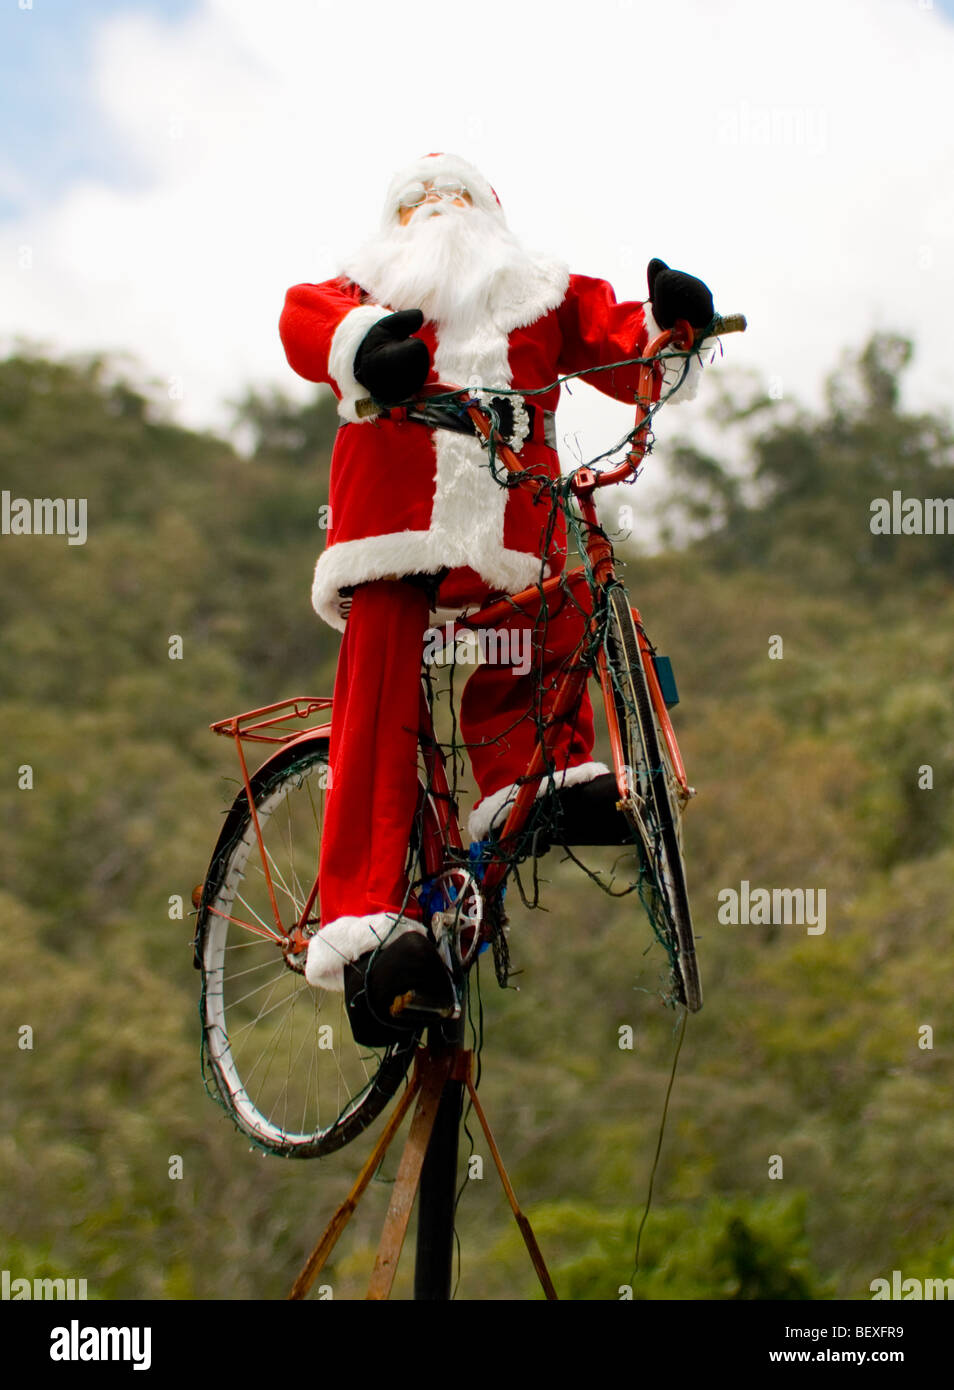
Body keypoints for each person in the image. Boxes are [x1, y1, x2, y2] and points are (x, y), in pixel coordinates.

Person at [279, 152, 715, 1038]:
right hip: (396, 516)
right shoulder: (363, 285)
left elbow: (623, 345)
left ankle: (535, 778)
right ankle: (367, 922)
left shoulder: (541, 292)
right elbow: (306, 321)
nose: (441, 213)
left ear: (491, 216)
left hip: (517, 518)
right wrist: (361, 347)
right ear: (397, 226)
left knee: (555, 610)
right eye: (420, 203)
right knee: (380, 695)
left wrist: (673, 325)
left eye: (457, 199)